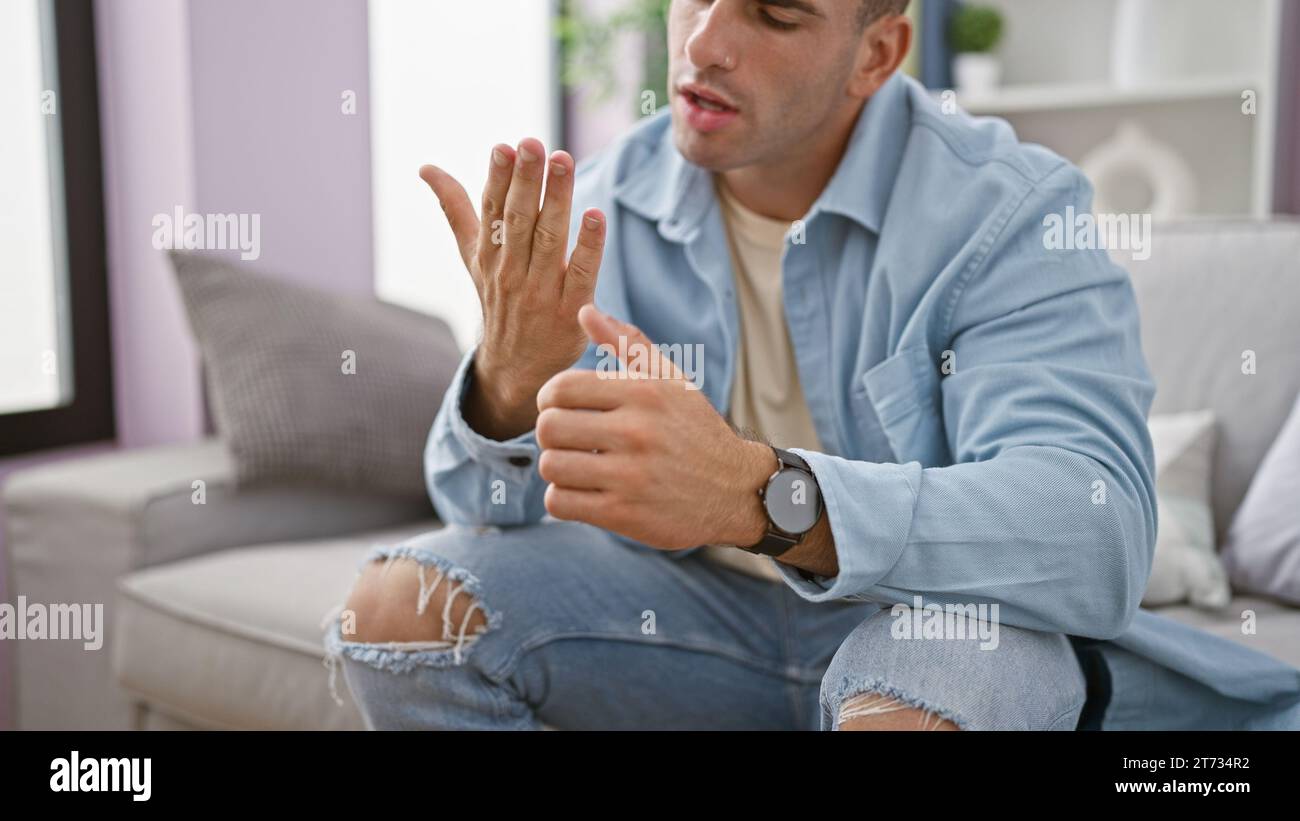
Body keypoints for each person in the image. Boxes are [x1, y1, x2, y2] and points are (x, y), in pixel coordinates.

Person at [327, 0, 1300, 730]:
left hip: (935, 629)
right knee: (398, 608)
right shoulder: (606, 205)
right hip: (692, 625)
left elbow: (1094, 534)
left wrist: (762, 496)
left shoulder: (1009, 212)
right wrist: (506, 381)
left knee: (914, 690)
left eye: (775, 13)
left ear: (874, 53)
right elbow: (488, 513)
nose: (705, 40)